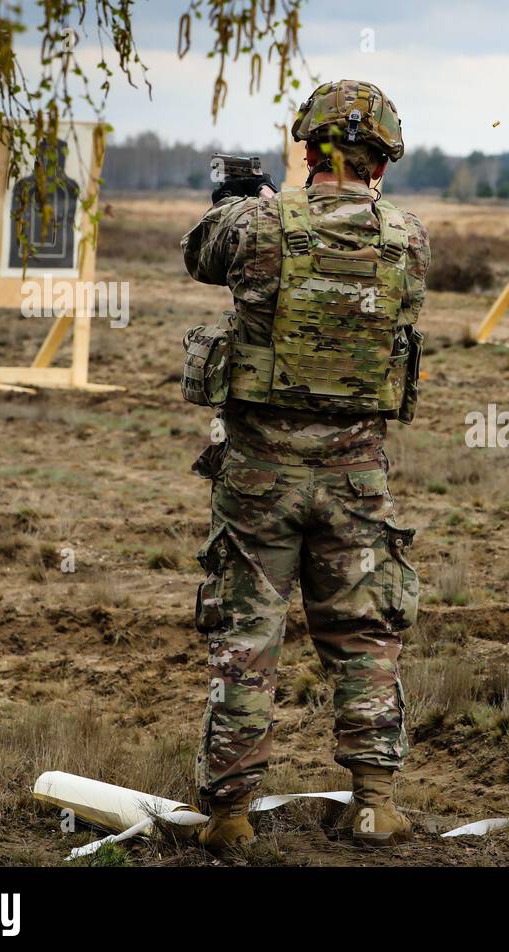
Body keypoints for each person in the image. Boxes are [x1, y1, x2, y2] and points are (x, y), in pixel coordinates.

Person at [179, 79, 429, 849]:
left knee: (247, 639)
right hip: (357, 477)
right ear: (380, 158)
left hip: (259, 474)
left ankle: (229, 816)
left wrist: (238, 200)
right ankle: (375, 802)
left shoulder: (256, 222)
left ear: (307, 148)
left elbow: (201, 256)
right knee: (364, 636)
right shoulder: (407, 237)